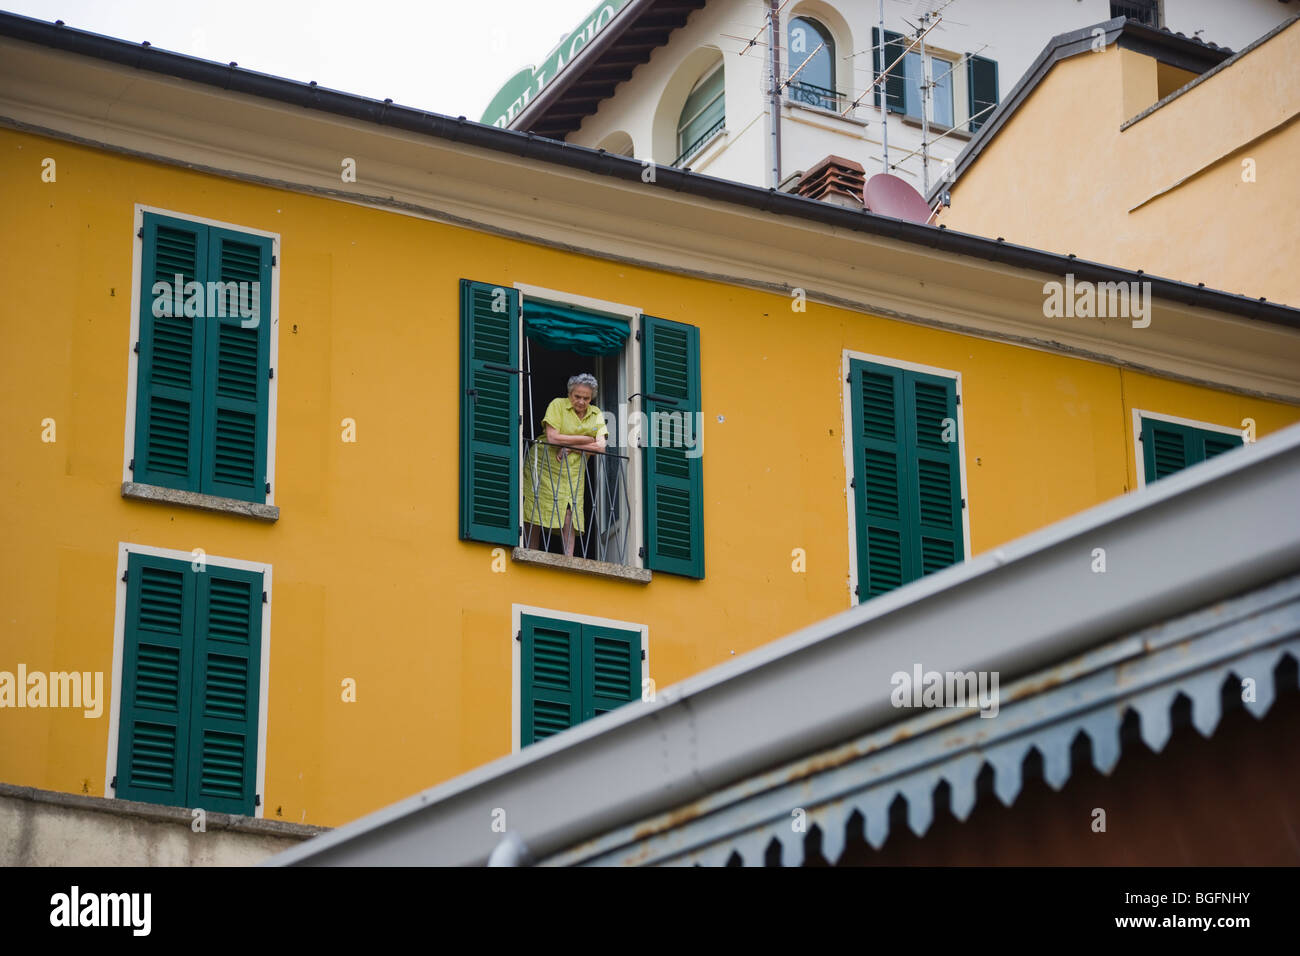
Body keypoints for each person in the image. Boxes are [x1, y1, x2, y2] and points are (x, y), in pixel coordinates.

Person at [523, 373, 609, 557]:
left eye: (586, 398)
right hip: (545, 464)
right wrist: (585, 439)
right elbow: (553, 437)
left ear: (591, 398)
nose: (581, 401)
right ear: (570, 394)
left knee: (569, 512)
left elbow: (601, 447)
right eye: (577, 396)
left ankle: (568, 559)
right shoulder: (557, 405)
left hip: (573, 470)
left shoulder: (596, 414)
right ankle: (530, 553)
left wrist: (569, 447)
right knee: (535, 508)